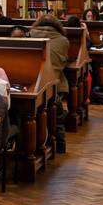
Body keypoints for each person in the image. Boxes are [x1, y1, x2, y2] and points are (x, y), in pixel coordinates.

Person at [29, 14, 69, 150]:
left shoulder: (30, 35)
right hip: (52, 84)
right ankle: (60, 142)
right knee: (55, 103)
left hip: (32, 82)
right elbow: (64, 61)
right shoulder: (63, 40)